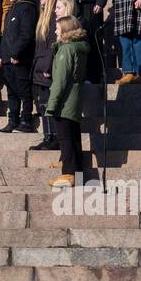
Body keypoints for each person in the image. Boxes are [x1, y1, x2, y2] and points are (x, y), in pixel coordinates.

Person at [46, 14, 89, 188]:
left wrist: (52, 104)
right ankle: (76, 172)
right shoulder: (77, 47)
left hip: (65, 101)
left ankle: (68, 174)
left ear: (65, 31)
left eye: (57, 28)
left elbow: (60, 80)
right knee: (73, 136)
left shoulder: (66, 50)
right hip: (74, 98)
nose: (55, 31)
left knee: (65, 138)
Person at [0, 0, 37, 133]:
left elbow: (26, 35)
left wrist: (15, 53)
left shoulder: (27, 7)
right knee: (12, 93)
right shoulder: (13, 8)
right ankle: (12, 120)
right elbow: (5, 35)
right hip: (7, 60)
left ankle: (26, 120)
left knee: (23, 92)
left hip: (19, 60)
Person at [30, 0, 61, 147]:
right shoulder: (44, 16)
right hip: (39, 66)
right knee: (43, 104)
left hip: (47, 68)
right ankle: (47, 137)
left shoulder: (55, 18)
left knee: (48, 104)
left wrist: (48, 67)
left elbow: (53, 45)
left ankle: (53, 138)